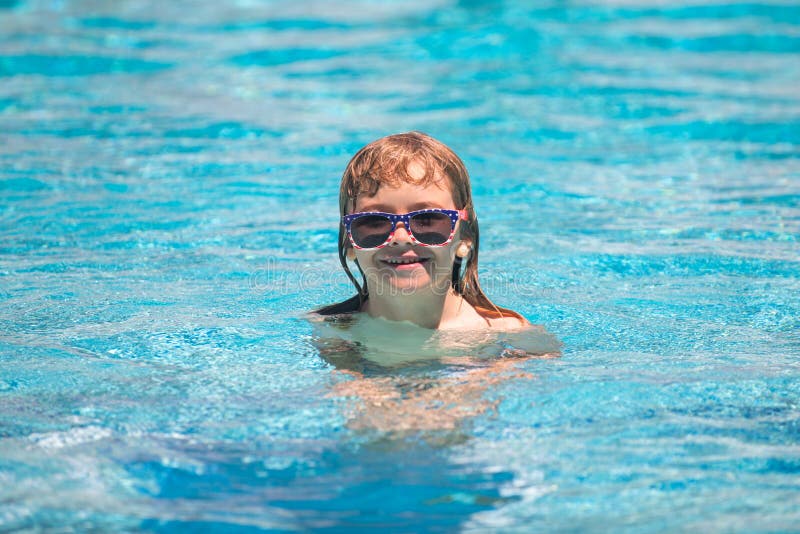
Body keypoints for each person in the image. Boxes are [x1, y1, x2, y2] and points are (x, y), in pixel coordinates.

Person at [315, 131, 529, 331]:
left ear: (465, 237)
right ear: (349, 242)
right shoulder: (331, 332)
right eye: (374, 221)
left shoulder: (506, 337)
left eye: (426, 219)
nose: (401, 238)